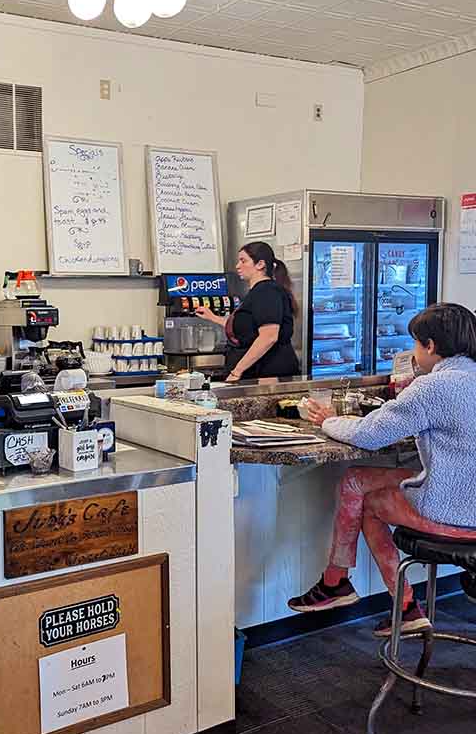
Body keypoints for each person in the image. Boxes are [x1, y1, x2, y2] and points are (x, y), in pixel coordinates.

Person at [288, 303, 476, 636]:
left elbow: (369, 435)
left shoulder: (434, 387)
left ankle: (403, 606)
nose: (414, 353)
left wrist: (327, 420)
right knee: (355, 481)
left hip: (456, 514)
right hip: (464, 497)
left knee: (369, 505)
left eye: (416, 344)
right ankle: (337, 581)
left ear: (430, 346)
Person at [196, 241, 300, 382]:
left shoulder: (267, 291)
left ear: (260, 264)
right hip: (256, 373)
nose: (238, 266)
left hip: (268, 374)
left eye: (243, 261)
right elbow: (246, 327)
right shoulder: (257, 292)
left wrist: (237, 372)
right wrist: (212, 317)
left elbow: (269, 336)